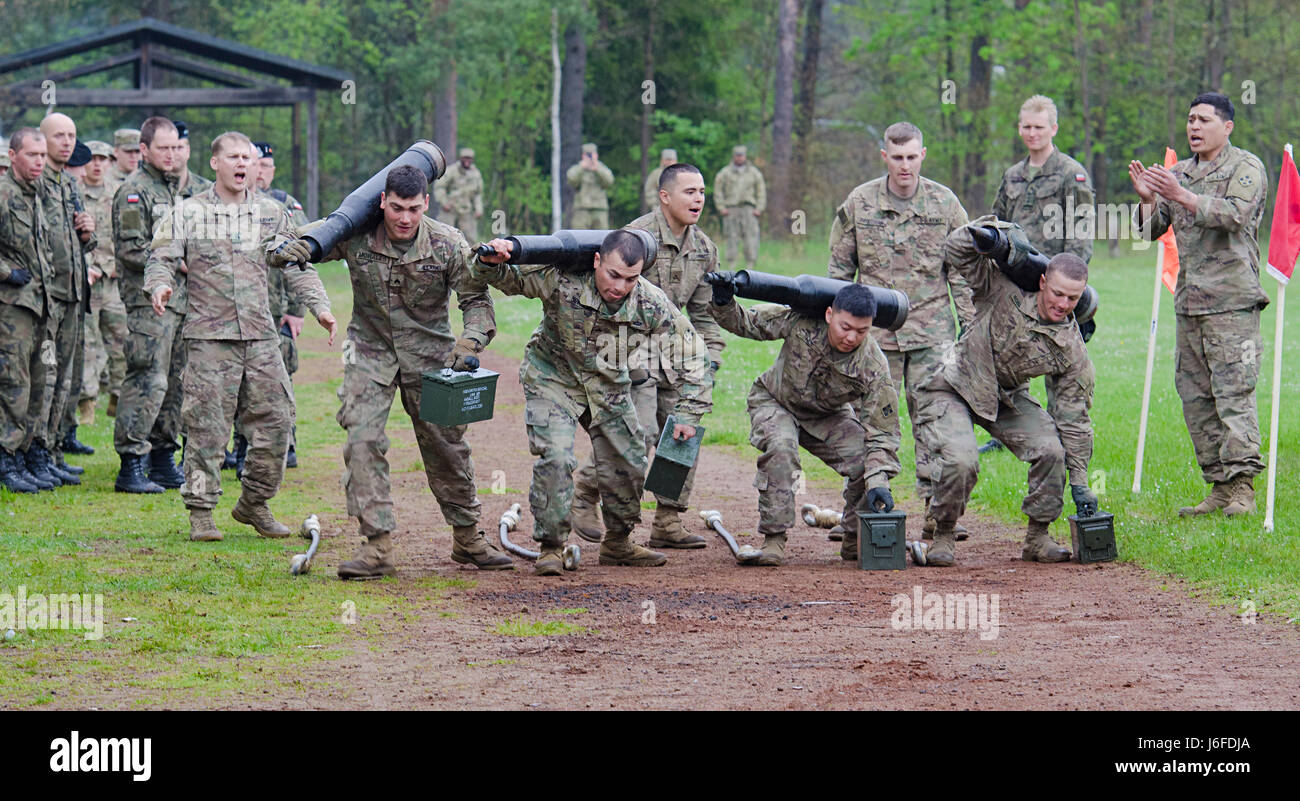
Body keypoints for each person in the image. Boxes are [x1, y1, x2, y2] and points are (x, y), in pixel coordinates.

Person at [270, 164, 511, 578]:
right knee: (362, 439)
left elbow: (477, 300)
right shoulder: (355, 229)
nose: (404, 218)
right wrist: (287, 249)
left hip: (432, 356)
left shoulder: (446, 242)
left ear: (426, 204)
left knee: (446, 446)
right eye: (396, 207)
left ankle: (468, 537)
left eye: (414, 209)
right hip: (369, 350)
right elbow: (288, 239)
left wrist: (470, 343)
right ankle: (377, 546)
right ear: (382, 201)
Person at [474, 229, 713, 576]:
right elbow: (504, 279)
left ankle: (618, 543)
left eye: (630, 278)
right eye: (613, 274)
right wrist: (490, 258)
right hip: (553, 377)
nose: (619, 286)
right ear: (597, 261)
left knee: (630, 457)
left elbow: (694, 357)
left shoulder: (650, 302)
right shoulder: (562, 277)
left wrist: (690, 412)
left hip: (608, 384)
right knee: (556, 456)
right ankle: (551, 547)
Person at [145, 132, 336, 542]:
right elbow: (161, 257)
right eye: (233, 157)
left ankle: (254, 503)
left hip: (261, 338)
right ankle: (201, 512)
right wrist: (160, 285)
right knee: (206, 428)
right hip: (209, 339)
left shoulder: (272, 213)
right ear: (215, 162)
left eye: (247, 158)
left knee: (277, 422)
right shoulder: (188, 212)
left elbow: (296, 265)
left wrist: (319, 307)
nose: (241, 164)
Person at [913, 217, 1098, 567]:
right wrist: (1001, 233)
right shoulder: (1001, 288)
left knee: (1050, 450)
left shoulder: (1071, 349)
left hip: (1006, 398)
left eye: (1072, 298)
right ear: (1042, 281)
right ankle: (944, 532)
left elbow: (1074, 419)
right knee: (961, 459)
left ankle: (1038, 538)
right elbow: (956, 249)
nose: (1062, 303)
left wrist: (1082, 483)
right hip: (956, 385)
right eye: (1057, 293)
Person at [828, 121, 974, 542]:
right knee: (871, 422)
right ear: (885, 157)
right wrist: (837, 326)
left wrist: (971, 326)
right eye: (897, 157)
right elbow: (839, 271)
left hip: (933, 334)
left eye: (912, 157)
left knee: (935, 423)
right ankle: (860, 511)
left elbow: (962, 274)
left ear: (922, 155)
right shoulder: (860, 202)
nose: (905, 165)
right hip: (875, 336)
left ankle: (937, 511)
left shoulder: (945, 204)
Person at [571, 163, 725, 549]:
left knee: (682, 434)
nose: (698, 199)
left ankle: (668, 520)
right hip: (630, 354)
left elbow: (704, 314)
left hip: (674, 357)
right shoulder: (635, 238)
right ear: (664, 196)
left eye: (702, 192)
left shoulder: (704, 249)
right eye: (689, 191)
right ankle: (585, 495)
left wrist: (711, 357)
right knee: (635, 435)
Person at [1129, 91, 1269, 517]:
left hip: (1232, 302)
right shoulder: (1178, 173)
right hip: (1189, 303)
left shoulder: (1246, 167)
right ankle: (1219, 487)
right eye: (1190, 119)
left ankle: (1243, 487)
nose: (1194, 127)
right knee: (1195, 396)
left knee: (1233, 394)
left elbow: (1234, 216)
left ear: (1226, 127)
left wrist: (1181, 194)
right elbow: (1150, 232)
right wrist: (1149, 198)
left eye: (1204, 120)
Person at [705, 277, 900, 566]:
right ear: (829, 314)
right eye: (845, 327)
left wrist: (879, 482)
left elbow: (882, 434)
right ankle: (774, 539)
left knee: (865, 464)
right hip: (775, 401)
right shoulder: (801, 319)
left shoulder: (872, 364)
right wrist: (723, 301)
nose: (851, 337)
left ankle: (855, 539)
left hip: (827, 416)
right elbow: (749, 323)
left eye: (862, 331)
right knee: (781, 448)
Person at [984, 95, 1097, 455]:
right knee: (1008, 356)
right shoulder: (1012, 175)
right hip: (1016, 283)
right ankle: (1011, 430)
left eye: (1039, 126)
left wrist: (1069, 284)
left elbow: (1080, 233)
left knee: (1057, 357)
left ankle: (1061, 432)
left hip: (1055, 284)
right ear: (1020, 129)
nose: (1032, 133)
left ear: (1054, 129)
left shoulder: (1070, 173)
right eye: (1027, 127)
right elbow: (997, 223)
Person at [112, 116, 207, 494]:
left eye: (176, 147)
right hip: (148, 302)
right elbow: (131, 248)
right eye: (162, 148)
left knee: (176, 382)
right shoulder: (134, 192)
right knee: (147, 377)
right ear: (145, 150)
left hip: (188, 303)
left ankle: (163, 456)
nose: (171, 155)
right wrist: (177, 260)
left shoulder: (192, 190)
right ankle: (131, 461)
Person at [37, 113, 96, 485]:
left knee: (68, 380)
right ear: (43, 141)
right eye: (59, 135)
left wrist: (89, 233)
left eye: (72, 135)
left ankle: (55, 449)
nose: (67, 142)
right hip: (47, 298)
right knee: (45, 376)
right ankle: (36, 452)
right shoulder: (36, 184)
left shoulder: (70, 185)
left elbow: (82, 242)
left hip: (74, 294)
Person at [0, 128, 55, 493]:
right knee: (12, 382)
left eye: (43, 155)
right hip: (12, 305)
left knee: (38, 381)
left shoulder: (36, 195)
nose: (39, 161)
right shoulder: (4, 194)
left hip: (39, 303)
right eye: (33, 155)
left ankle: (21, 454)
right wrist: (5, 272)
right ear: (13, 155)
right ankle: (5, 458)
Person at [78, 141, 128, 425]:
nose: (97, 164)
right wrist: (88, 267)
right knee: (88, 344)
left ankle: (118, 399)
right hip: (86, 282)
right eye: (92, 159)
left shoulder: (120, 195)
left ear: (110, 162)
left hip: (114, 281)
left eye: (103, 159)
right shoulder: (75, 194)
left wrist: (110, 266)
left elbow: (127, 236)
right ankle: (87, 404)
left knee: (122, 342)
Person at [713, 145, 766, 269]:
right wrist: (721, 207)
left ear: (745, 156)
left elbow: (761, 191)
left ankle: (750, 265)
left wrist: (759, 208)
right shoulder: (725, 172)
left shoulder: (754, 173)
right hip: (731, 209)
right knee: (731, 236)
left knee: (751, 237)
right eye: (737, 155)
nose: (739, 158)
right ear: (734, 156)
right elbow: (718, 190)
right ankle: (731, 264)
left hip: (749, 209)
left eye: (741, 155)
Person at [435, 147, 484, 241]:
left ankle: (468, 255)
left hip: (466, 209)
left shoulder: (475, 174)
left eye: (469, 158)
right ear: (460, 158)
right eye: (465, 158)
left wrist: (479, 208)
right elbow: (439, 186)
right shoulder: (452, 170)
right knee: (444, 235)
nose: (467, 160)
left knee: (469, 238)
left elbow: (478, 193)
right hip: (450, 208)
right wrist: (444, 202)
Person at [566, 143, 614, 228]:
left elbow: (609, 181)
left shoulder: (601, 168)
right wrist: (582, 168)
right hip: (582, 208)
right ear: (583, 156)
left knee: (601, 236)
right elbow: (571, 178)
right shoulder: (578, 168)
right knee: (579, 236)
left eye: (592, 154)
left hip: (599, 208)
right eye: (588, 155)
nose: (590, 157)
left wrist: (597, 169)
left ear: (596, 155)